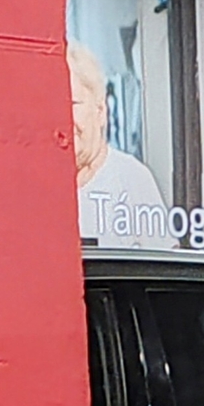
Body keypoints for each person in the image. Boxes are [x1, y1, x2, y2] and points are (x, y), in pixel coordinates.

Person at [69, 41, 175, 251]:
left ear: (100, 110)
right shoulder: (38, 185)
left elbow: (162, 273)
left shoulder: (133, 179)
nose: (62, 116)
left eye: (72, 104)